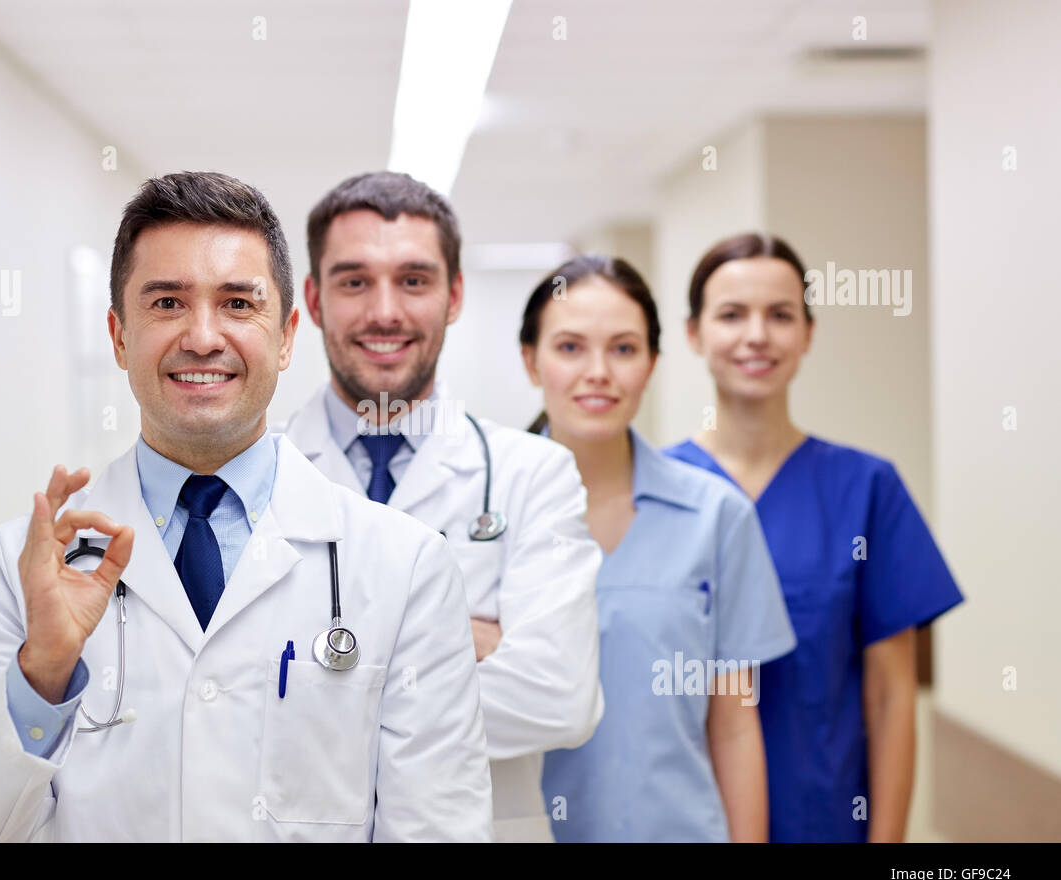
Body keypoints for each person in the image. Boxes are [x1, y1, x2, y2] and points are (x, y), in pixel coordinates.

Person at [0, 171, 494, 842]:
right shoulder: (20, 566)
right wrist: (41, 673)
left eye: (238, 303)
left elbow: (438, 829)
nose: (203, 336)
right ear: (119, 335)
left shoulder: (405, 565)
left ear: (286, 336)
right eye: (167, 302)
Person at [283, 172, 603, 842]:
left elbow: (560, 697)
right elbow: (220, 701)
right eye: (354, 281)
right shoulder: (253, 476)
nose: (385, 312)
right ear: (312, 299)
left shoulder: (533, 474)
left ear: (454, 295)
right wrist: (448, 643)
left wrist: (317, 684)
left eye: (414, 280)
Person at [665, 232, 964, 842]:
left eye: (780, 315)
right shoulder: (655, 491)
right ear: (694, 333)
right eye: (732, 314)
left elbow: (891, 695)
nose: (757, 335)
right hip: (680, 821)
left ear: (808, 334)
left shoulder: (866, 488)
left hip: (824, 820)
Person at [523, 255, 797, 842]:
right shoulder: (480, 517)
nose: (598, 372)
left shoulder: (716, 517)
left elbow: (734, 726)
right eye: (570, 347)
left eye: (624, 349)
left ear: (651, 363)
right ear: (530, 360)